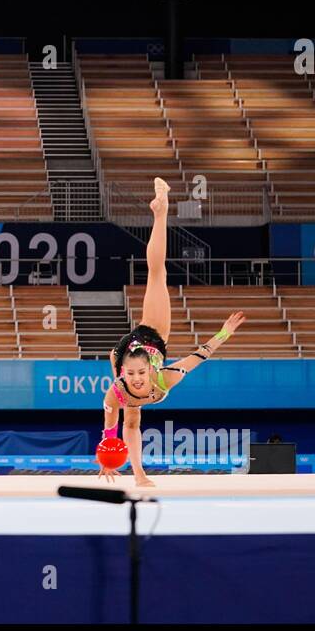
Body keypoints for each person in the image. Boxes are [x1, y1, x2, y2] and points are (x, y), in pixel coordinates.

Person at [100, 178, 247, 487]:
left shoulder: (163, 377)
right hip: (123, 356)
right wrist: (107, 457)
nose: (139, 379)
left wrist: (223, 334)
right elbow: (110, 429)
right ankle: (139, 475)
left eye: (140, 373)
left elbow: (197, 357)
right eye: (133, 375)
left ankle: (161, 211)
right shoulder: (119, 389)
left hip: (149, 333)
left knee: (157, 273)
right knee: (131, 418)